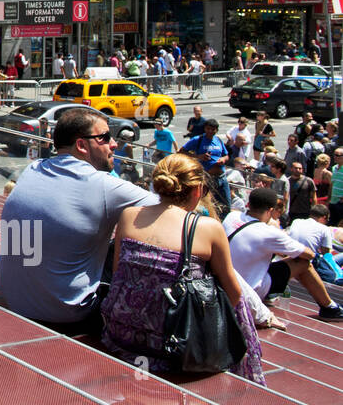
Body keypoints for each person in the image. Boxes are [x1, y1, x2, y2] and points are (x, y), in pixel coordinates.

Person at [100, 152, 264, 383]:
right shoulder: (207, 227)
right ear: (197, 190)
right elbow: (235, 294)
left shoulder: (129, 215)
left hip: (120, 333)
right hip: (172, 345)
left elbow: (118, 272)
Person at [0, 109, 159, 329]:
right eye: (105, 138)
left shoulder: (33, 168)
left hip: (13, 297)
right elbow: (169, 209)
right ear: (82, 146)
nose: (114, 145)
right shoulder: (103, 185)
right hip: (67, 312)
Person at [224, 187, 343, 321]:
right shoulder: (269, 233)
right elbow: (309, 254)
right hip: (249, 290)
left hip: (225, 283)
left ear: (248, 204)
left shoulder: (231, 217)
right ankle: (329, 308)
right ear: (270, 210)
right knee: (303, 263)